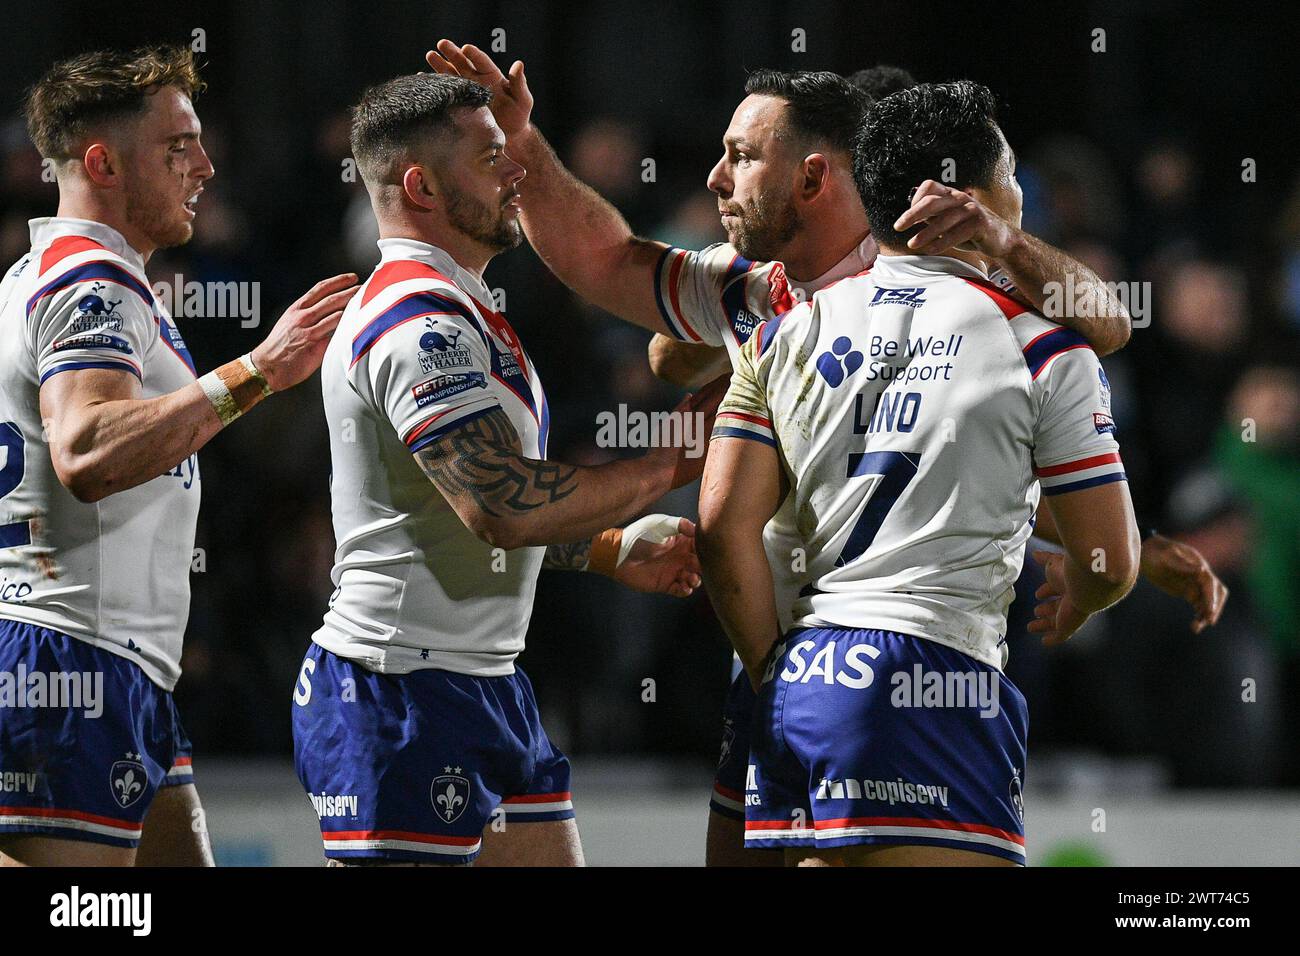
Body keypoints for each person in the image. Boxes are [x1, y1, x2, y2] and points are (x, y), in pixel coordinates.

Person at [425, 40, 1226, 866]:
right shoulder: (771, 289)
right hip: (848, 660)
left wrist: (1137, 550)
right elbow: (611, 264)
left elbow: (1064, 361)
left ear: (822, 175)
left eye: (741, 156)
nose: (715, 179)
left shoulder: (849, 296)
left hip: (799, 664)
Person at [696, 80, 1141, 866]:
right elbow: (1110, 558)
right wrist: (1085, 592)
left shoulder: (784, 332)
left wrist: (775, 670)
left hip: (803, 684)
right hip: (932, 680)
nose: (1023, 198)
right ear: (974, 198)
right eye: (1014, 181)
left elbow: (721, 526)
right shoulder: (1041, 346)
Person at [290, 72, 720, 867]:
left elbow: (451, 514)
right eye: (491, 159)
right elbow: (498, 504)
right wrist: (669, 463)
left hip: (479, 682)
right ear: (420, 184)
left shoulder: (465, 308)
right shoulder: (420, 323)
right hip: (401, 695)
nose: (515, 172)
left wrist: (608, 548)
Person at [0, 45, 358, 866]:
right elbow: (86, 449)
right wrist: (258, 370)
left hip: (110, 662)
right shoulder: (92, 283)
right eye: (177, 147)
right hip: (72, 659)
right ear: (102, 162)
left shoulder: (44, 272)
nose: (204, 165)